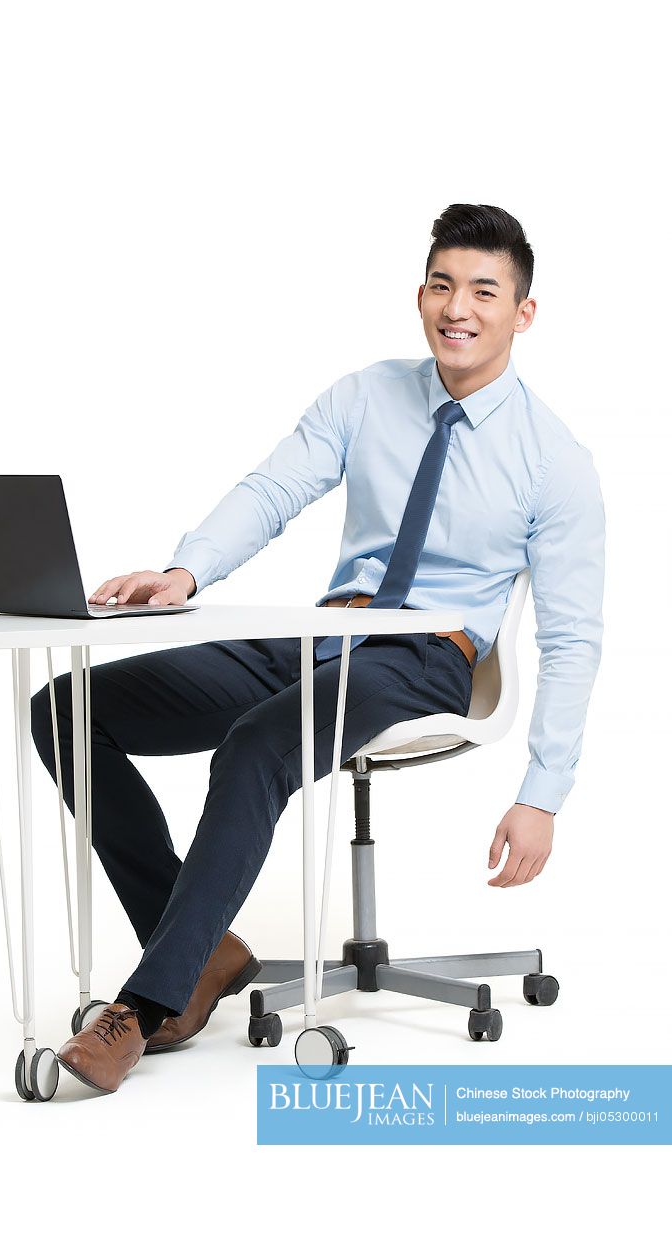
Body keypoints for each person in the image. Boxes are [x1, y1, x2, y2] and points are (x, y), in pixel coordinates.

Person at [30, 203, 605, 1095]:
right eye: (441, 284)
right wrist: (187, 570)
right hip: (324, 631)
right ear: (421, 294)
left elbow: (572, 635)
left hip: (425, 658)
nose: (457, 307)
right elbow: (274, 488)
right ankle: (198, 949)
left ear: (521, 312)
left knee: (258, 742)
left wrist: (543, 792)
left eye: (483, 291)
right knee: (67, 710)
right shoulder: (365, 394)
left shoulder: (554, 459)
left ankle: (144, 1005)